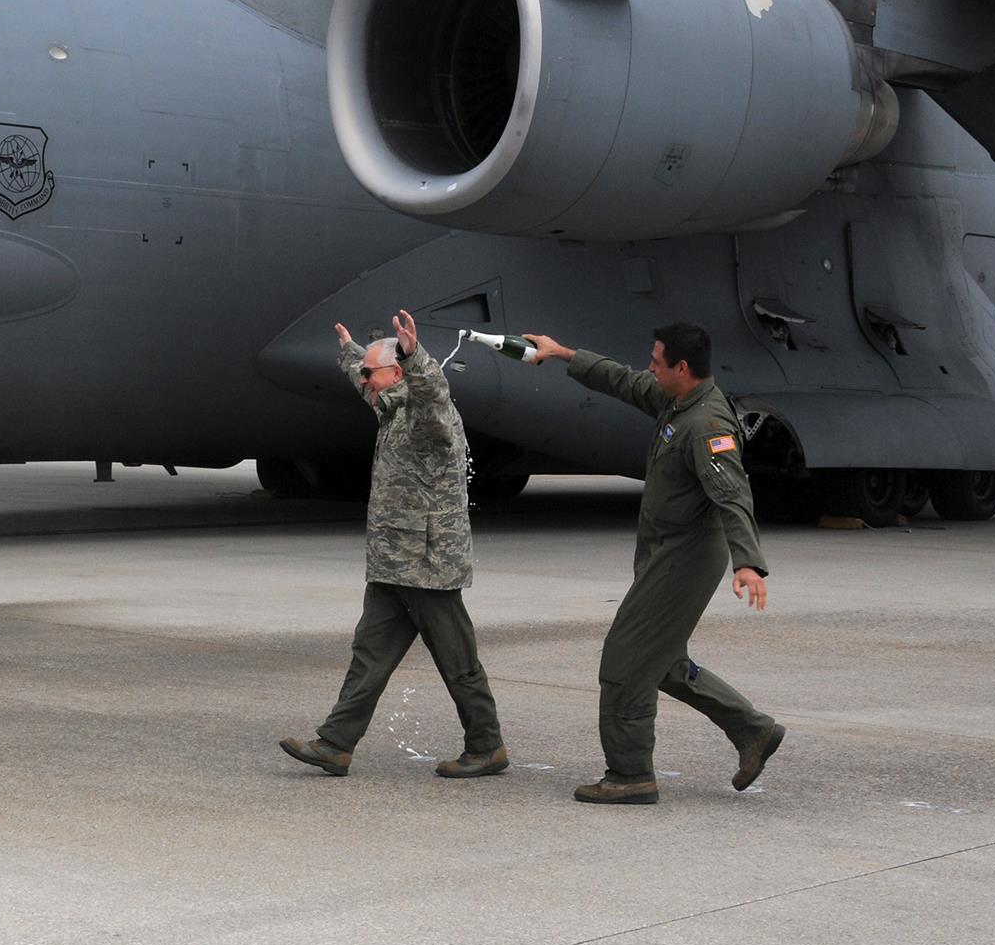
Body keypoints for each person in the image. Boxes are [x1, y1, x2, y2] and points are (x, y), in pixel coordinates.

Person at [521, 322, 785, 804]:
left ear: (681, 368)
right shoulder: (676, 400)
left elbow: (732, 496)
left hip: (686, 557)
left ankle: (630, 774)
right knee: (662, 662)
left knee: (625, 660)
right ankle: (753, 731)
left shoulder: (708, 424)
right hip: (665, 551)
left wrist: (749, 563)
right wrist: (561, 353)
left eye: (657, 361)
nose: (650, 366)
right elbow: (621, 379)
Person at [282, 309, 509, 779]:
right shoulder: (393, 406)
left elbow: (433, 391)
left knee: (457, 660)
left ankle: (487, 746)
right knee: (369, 654)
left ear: (399, 372)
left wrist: (415, 354)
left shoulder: (428, 413)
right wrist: (351, 355)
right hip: (392, 562)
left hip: (427, 563)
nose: (365, 380)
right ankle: (335, 744)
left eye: (372, 372)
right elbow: (371, 387)